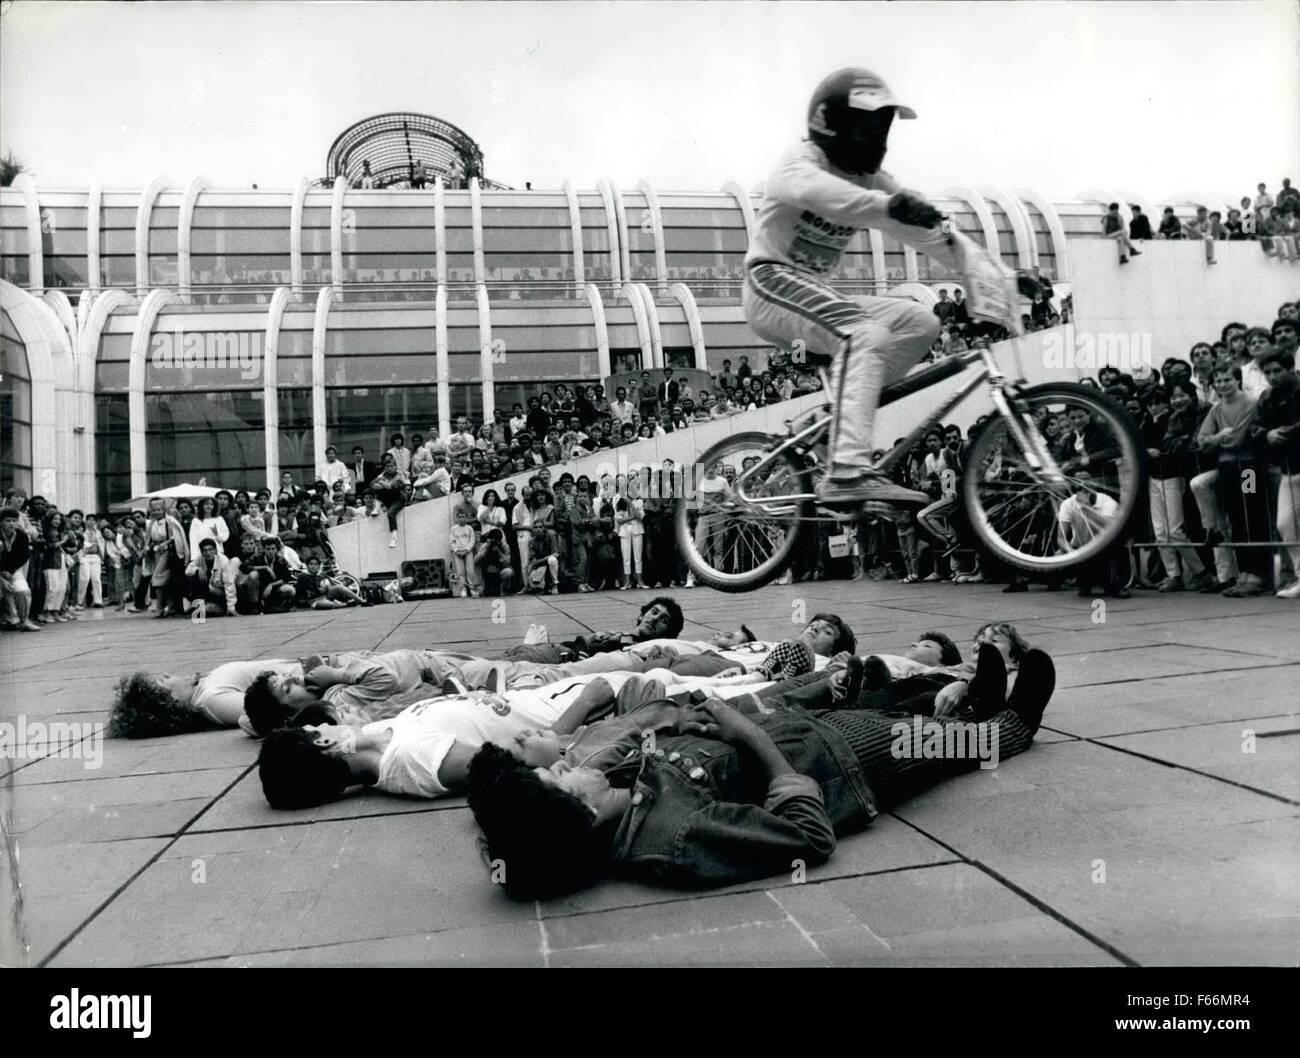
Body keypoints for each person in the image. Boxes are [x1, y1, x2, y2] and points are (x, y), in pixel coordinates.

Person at [465, 659, 1049, 895]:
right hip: (845, 765)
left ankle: (980, 703)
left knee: (902, 712)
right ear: (584, 816)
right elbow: (809, 840)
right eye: (562, 780)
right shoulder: (678, 840)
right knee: (943, 744)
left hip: (805, 729)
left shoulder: (610, 792)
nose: (565, 766)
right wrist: (753, 739)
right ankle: (1014, 726)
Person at [743, 68, 1018, 511]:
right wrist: (889, 205)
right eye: (866, 127)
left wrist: (1003, 273)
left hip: (812, 292)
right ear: (830, 124)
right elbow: (826, 195)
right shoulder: (799, 164)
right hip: (769, 284)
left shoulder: (875, 183)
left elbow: (933, 233)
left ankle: (831, 422)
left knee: (921, 322)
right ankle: (848, 471)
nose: (876, 137)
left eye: (882, 128)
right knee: (866, 333)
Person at [0, 506, 39, 631]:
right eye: (7, 521)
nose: (11, 524)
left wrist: (9, 571)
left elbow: (23, 555)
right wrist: (1, 577)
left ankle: (24, 621)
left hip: (13, 570)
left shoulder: (21, 534)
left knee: (23, 591)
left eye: (14, 520)